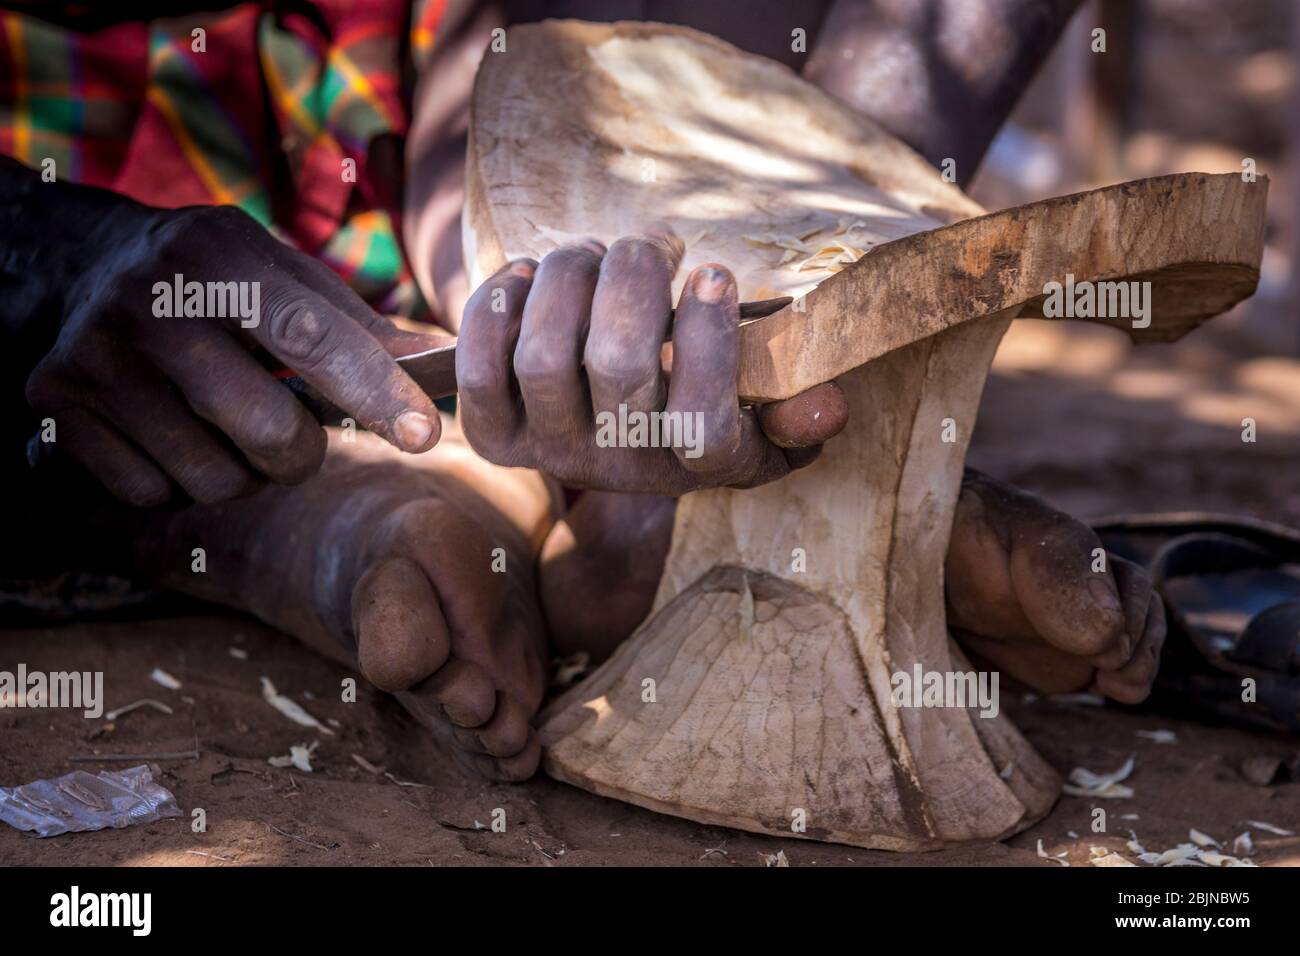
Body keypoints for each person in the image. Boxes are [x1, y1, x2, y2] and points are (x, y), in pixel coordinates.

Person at [0, 0, 1162, 782]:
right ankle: (309, 503)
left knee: (554, 206)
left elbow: (499, 83)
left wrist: (737, 271)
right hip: (70, 181)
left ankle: (605, 487)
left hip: (397, 127)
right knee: (115, 399)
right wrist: (46, 250)